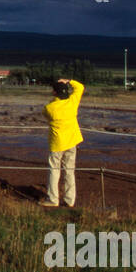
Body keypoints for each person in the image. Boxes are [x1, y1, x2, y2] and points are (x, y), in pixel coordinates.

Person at [41, 76, 84, 208]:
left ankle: (53, 199)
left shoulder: (49, 108)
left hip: (57, 143)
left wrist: (56, 97)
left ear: (54, 93)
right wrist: (69, 81)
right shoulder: (72, 102)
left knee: (54, 170)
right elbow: (80, 87)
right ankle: (70, 200)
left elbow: (47, 115)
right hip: (72, 141)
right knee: (69, 171)